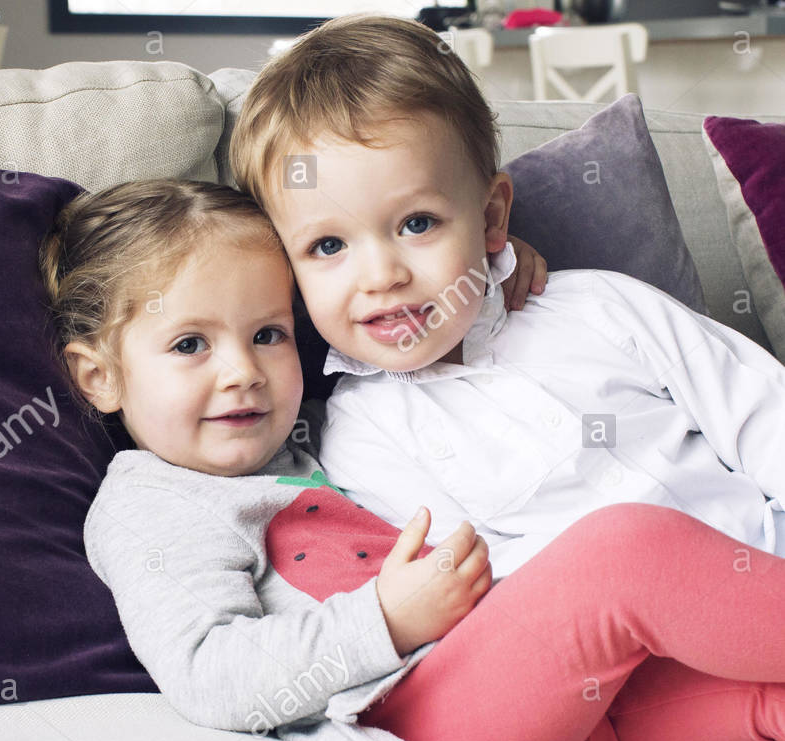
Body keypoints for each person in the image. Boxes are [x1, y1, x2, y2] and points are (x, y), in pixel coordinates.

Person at [39, 178, 785, 741]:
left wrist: (492, 277)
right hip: (425, 725)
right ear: (99, 375)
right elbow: (211, 675)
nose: (242, 371)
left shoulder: (322, 436)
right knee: (625, 552)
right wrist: (385, 619)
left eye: (267, 333)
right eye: (189, 345)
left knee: (753, 694)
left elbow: (409, 354)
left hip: (560, 726)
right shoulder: (152, 502)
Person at [229, 12, 785, 581]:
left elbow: (765, 416)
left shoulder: (603, 307)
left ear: (491, 215)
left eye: (417, 224)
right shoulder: (363, 438)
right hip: (639, 637)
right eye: (327, 245)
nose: (382, 276)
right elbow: (489, 589)